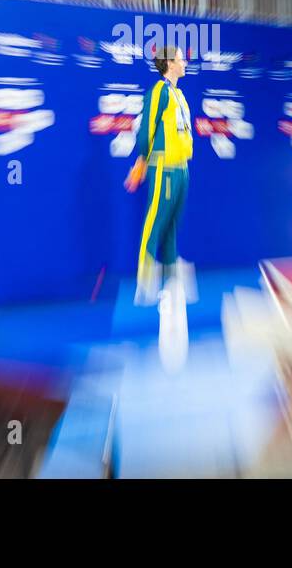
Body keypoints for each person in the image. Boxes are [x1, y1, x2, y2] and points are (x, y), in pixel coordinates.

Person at [125, 45, 193, 360]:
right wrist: (140, 162)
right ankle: (145, 282)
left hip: (181, 169)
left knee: (172, 228)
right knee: (155, 222)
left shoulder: (179, 95)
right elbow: (147, 126)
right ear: (168, 63)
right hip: (162, 167)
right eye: (180, 57)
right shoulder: (159, 91)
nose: (185, 61)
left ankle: (170, 283)